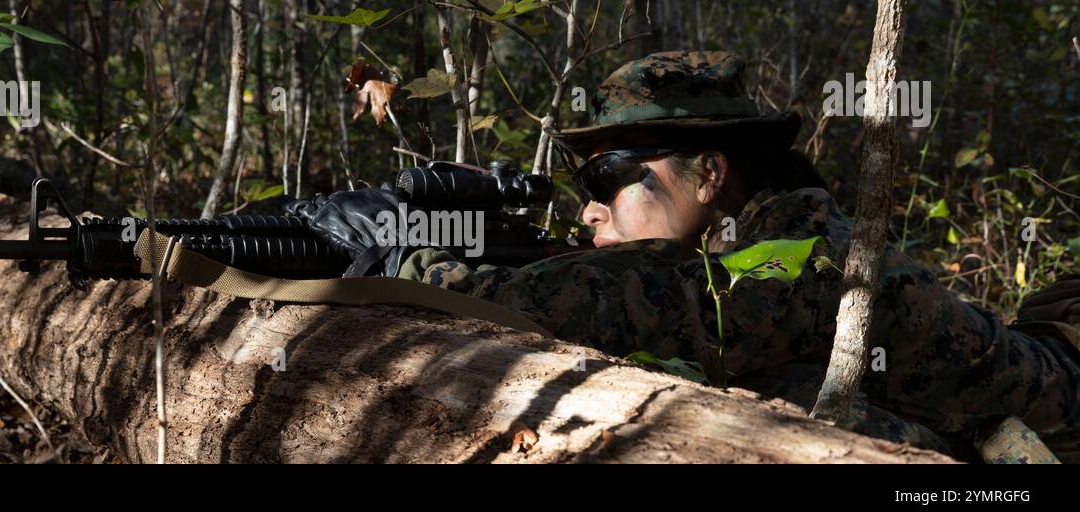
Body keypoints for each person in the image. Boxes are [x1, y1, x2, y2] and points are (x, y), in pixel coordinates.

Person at [295, 51, 1080, 462]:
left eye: (610, 175)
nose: (590, 206)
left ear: (710, 173)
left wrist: (414, 263)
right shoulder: (754, 248)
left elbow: (655, 301)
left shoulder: (808, 264)